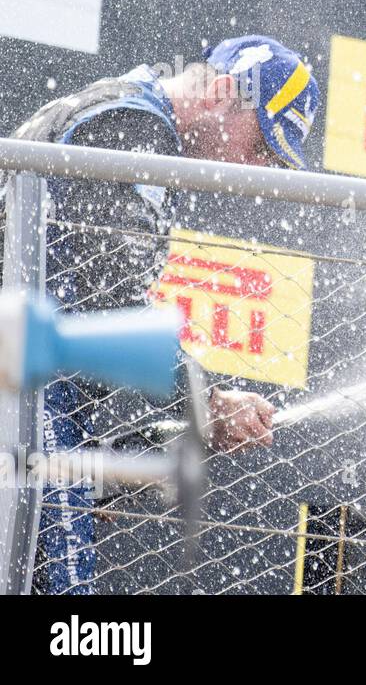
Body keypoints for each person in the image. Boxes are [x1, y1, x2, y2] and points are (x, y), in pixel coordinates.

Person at [4, 34, 320, 594]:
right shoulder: (135, 126)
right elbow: (111, 301)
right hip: (23, 392)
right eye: (260, 145)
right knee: (62, 595)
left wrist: (93, 456)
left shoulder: (122, 114)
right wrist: (209, 401)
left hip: (29, 386)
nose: (255, 169)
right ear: (224, 92)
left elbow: (76, 304)